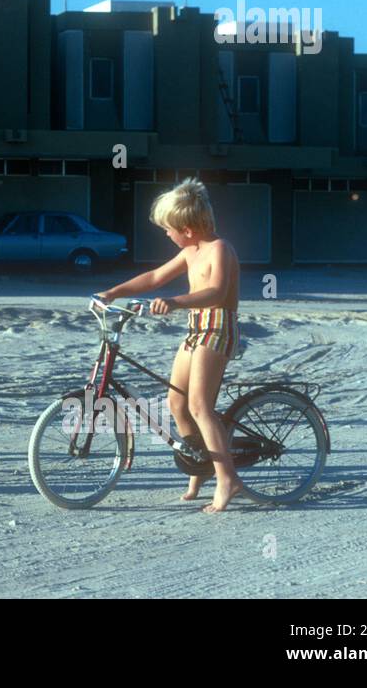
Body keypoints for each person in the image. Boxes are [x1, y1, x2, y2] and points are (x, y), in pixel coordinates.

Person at [97, 178, 244, 513]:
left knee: (199, 406)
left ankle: (228, 479)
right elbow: (153, 278)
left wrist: (175, 302)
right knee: (175, 403)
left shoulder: (220, 249)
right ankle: (200, 466)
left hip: (218, 328)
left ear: (188, 228)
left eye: (169, 229)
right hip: (196, 329)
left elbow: (217, 293)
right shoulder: (190, 251)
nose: (167, 234)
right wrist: (113, 292)